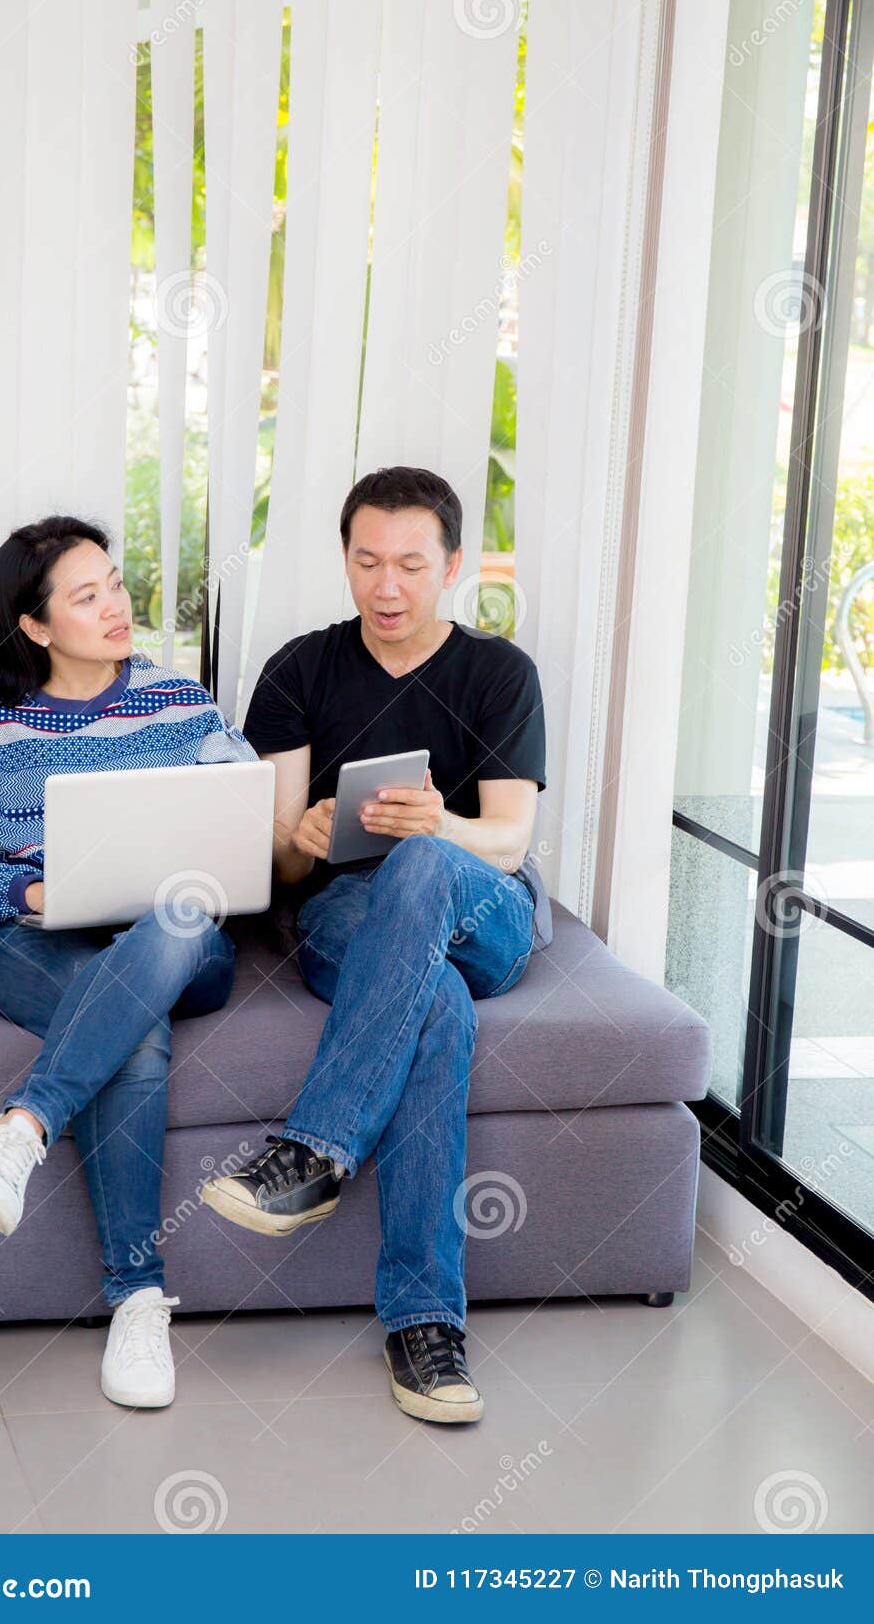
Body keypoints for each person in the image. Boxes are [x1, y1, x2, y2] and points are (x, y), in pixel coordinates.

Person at [201, 466, 549, 1426]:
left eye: (407, 565)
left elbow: (510, 839)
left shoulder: (498, 673)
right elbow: (275, 860)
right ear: (344, 560)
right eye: (365, 562)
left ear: (450, 567)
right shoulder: (298, 669)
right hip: (349, 920)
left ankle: (312, 1147)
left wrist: (439, 826)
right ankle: (424, 1329)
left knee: (424, 869)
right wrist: (298, 835)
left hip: (480, 906)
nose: (384, 587)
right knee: (428, 1005)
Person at [0, 515, 255, 1410]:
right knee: (131, 1038)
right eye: (85, 595)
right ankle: (137, 1298)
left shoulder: (184, 703)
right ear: (35, 624)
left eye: (116, 586)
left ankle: (21, 1130)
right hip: (40, 946)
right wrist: (28, 898)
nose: (115, 607)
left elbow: (246, 820)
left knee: (172, 916)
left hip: (183, 944)